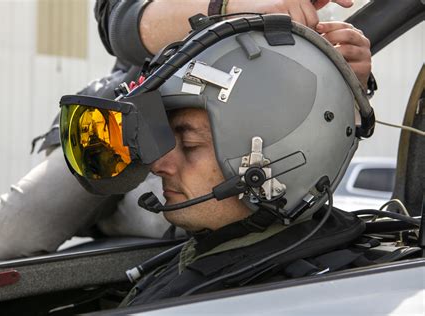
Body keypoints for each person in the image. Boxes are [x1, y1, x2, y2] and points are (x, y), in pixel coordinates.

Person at [0, 0, 369, 267]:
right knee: (11, 234)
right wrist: (227, 7)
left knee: (215, 224)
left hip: (212, 157)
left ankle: (122, 215)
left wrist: (343, 75)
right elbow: (119, 20)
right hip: (123, 123)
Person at [57, 13, 375, 307]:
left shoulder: (285, 301)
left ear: (272, 167)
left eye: (190, 144)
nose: (159, 165)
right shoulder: (214, 255)